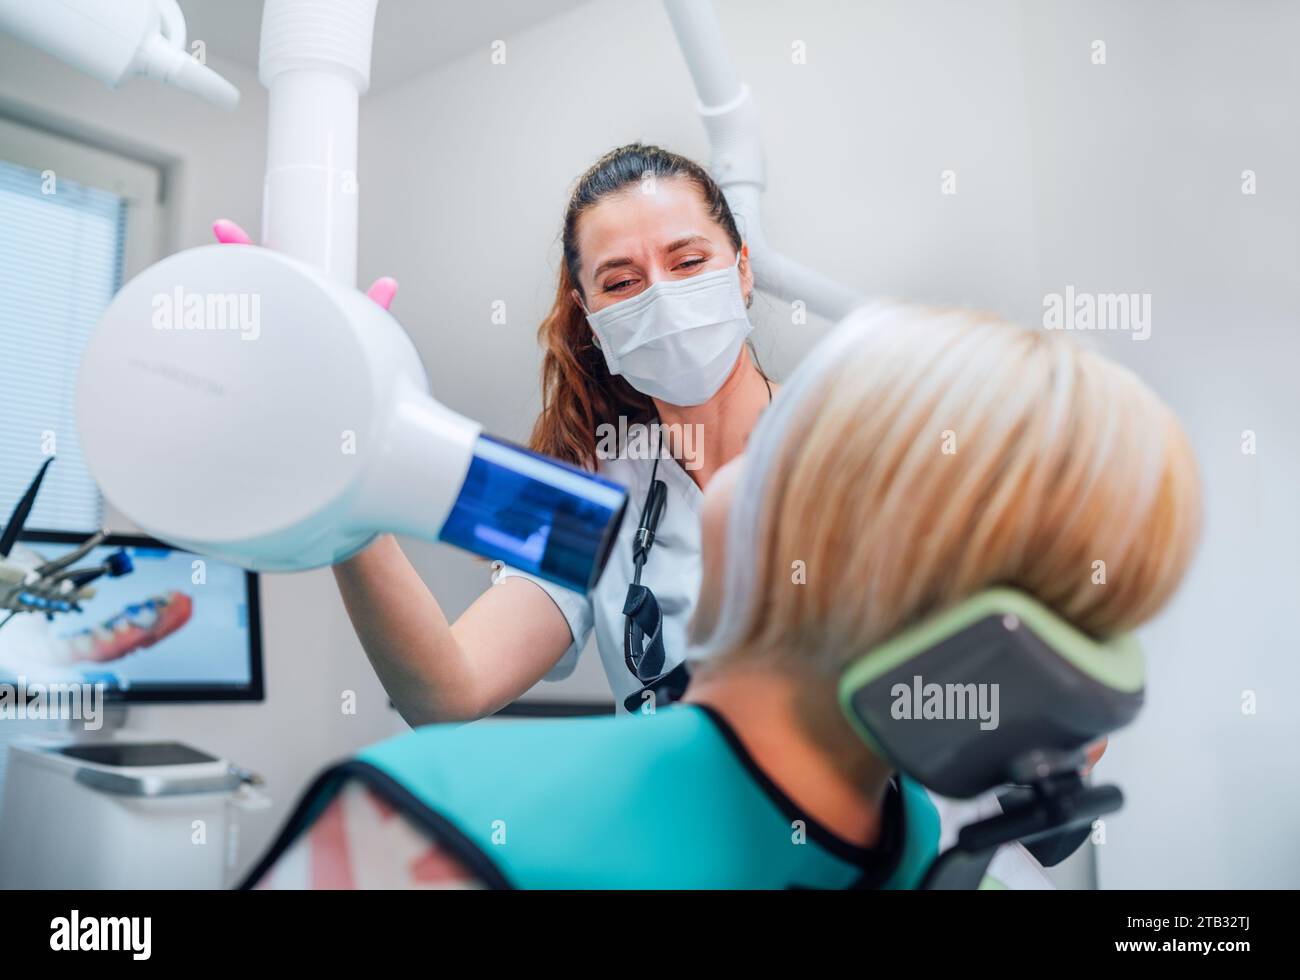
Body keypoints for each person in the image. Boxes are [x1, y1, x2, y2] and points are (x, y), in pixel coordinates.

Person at [249, 303, 1202, 889]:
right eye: (618, 278)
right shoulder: (924, 853)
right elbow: (447, 683)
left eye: (787, 449)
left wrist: (334, 477)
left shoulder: (427, 818)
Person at [334, 143, 778, 720]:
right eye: (621, 283)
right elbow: (448, 692)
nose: (662, 298)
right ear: (592, 318)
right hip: (667, 810)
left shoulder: (852, 447)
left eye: (688, 262)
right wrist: (346, 491)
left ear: (742, 268)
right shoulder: (586, 487)